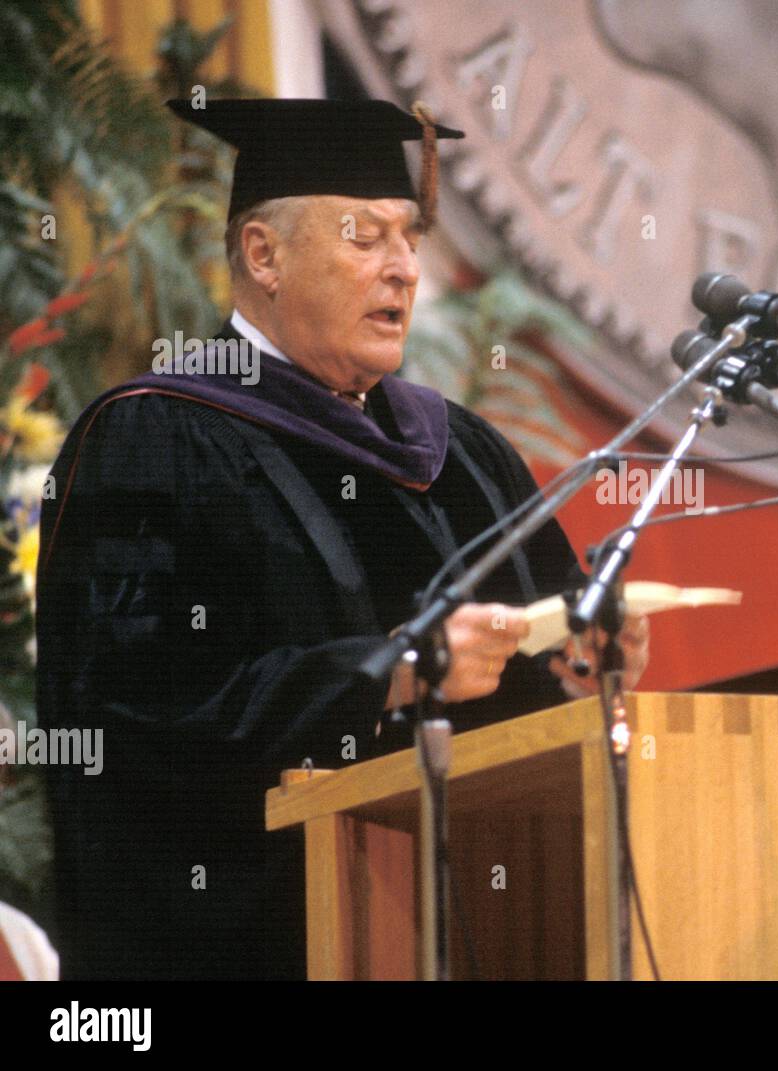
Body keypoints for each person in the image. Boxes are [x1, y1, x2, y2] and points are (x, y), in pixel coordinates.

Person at [36, 98, 649, 980]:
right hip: (267, 947)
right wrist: (393, 672)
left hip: (487, 936)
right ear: (263, 255)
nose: (404, 270)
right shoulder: (152, 443)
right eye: (367, 239)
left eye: (411, 239)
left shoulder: (462, 451)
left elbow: (542, 663)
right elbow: (131, 722)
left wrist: (583, 657)